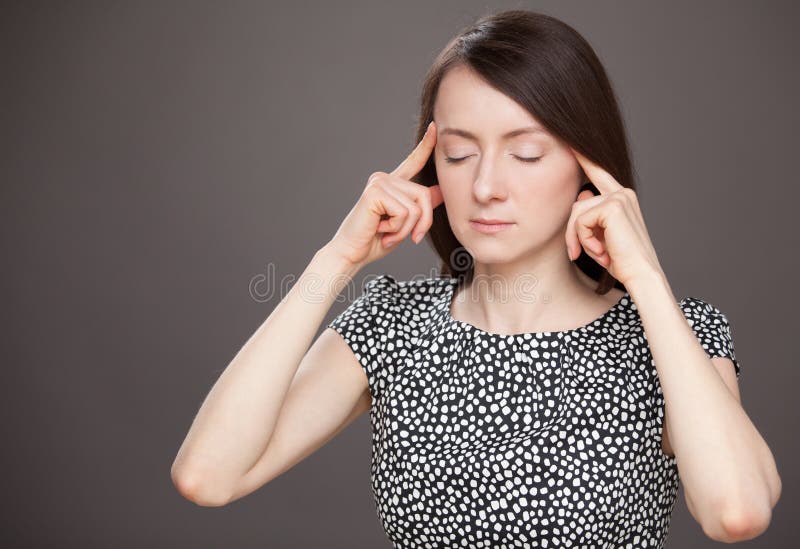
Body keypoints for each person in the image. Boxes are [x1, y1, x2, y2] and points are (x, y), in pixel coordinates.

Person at [170, 9, 781, 547]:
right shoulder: (391, 327)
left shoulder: (673, 337)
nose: (485, 186)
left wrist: (646, 278)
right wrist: (335, 261)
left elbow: (737, 512)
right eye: (459, 154)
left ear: (587, 165)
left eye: (527, 152)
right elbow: (206, 476)